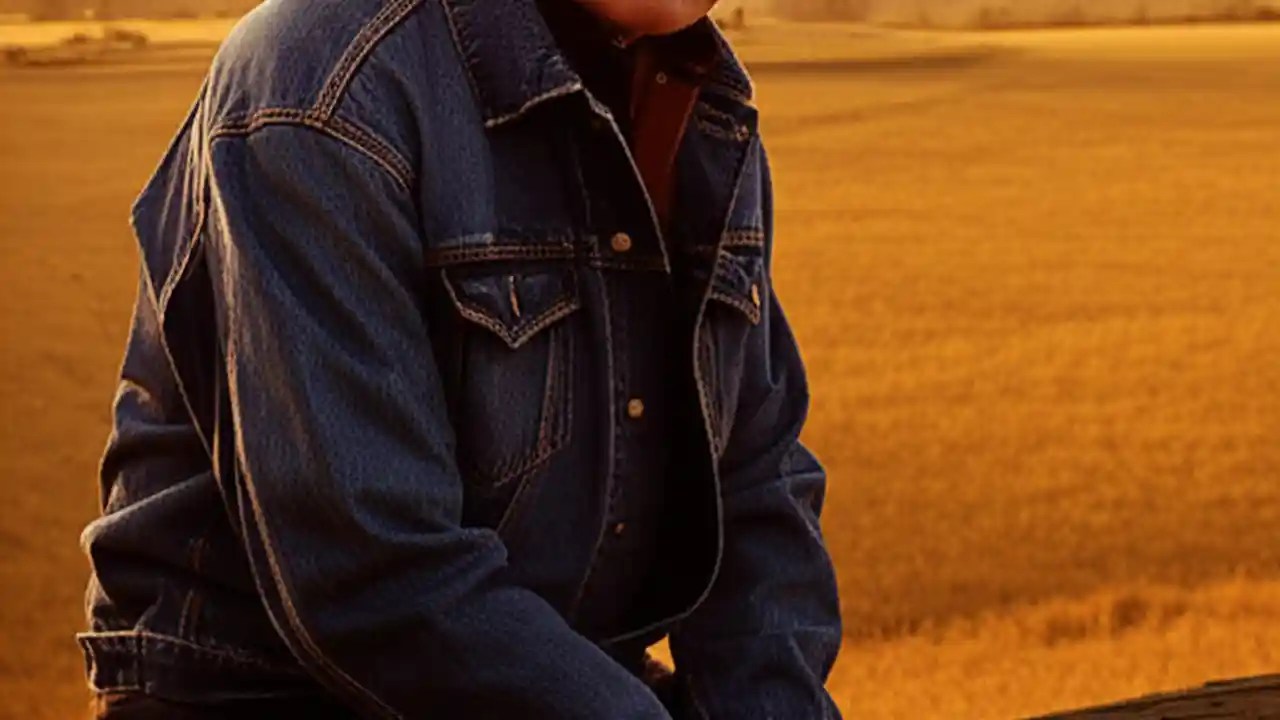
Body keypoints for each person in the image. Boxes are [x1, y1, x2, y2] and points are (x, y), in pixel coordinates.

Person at [78, 0, 843, 717]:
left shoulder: (697, 99)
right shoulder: (320, 81)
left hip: (565, 678)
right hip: (264, 691)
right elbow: (373, 578)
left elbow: (756, 484)